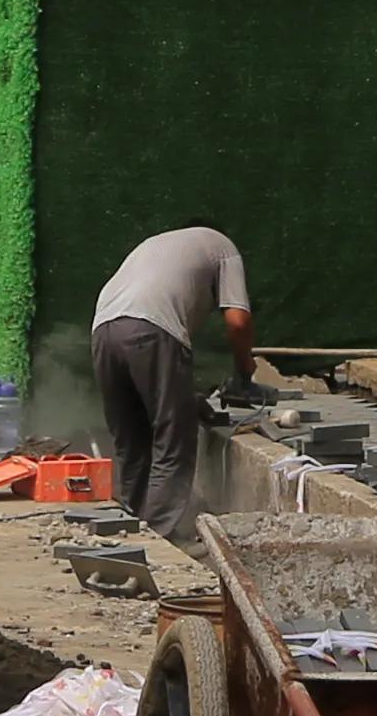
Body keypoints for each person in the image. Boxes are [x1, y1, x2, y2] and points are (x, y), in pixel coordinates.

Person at [87, 222, 254, 545]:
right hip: (153, 328)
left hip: (103, 330)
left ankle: (130, 523)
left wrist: (185, 398)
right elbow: (238, 321)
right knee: (173, 438)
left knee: (131, 438)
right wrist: (244, 366)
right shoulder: (225, 249)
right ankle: (159, 535)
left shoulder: (159, 244)